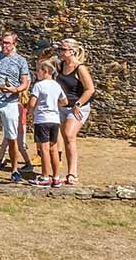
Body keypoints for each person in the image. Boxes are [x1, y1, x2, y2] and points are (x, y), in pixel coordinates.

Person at [0, 32, 30, 183]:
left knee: (11, 137)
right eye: (3, 42)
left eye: (8, 43)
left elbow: (25, 82)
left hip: (10, 102)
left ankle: (14, 171)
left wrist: (15, 90)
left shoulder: (20, 61)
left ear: (14, 44)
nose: (4, 45)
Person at [56, 38, 96, 186]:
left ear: (72, 51)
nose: (60, 52)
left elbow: (90, 89)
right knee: (63, 138)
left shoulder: (80, 68)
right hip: (62, 107)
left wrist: (78, 103)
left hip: (78, 107)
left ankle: (72, 173)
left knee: (69, 135)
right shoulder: (60, 65)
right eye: (60, 49)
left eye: (63, 49)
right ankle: (61, 172)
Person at [27, 61, 68, 188]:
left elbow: (32, 103)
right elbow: (65, 101)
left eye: (38, 70)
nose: (36, 73)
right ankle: (56, 177)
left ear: (46, 71)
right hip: (54, 119)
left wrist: (30, 111)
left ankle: (45, 176)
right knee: (53, 148)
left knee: (44, 149)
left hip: (42, 119)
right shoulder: (56, 85)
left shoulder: (38, 85)